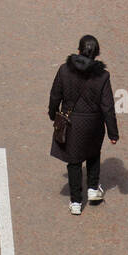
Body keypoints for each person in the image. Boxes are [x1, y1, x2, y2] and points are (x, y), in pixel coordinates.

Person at [48, 34, 119, 215]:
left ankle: (76, 201)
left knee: (74, 161)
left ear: (78, 50)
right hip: (94, 123)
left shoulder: (64, 70)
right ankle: (93, 188)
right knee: (93, 154)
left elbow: (55, 95)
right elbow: (108, 106)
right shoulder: (103, 76)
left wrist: (52, 113)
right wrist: (113, 133)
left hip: (71, 123)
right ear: (96, 54)